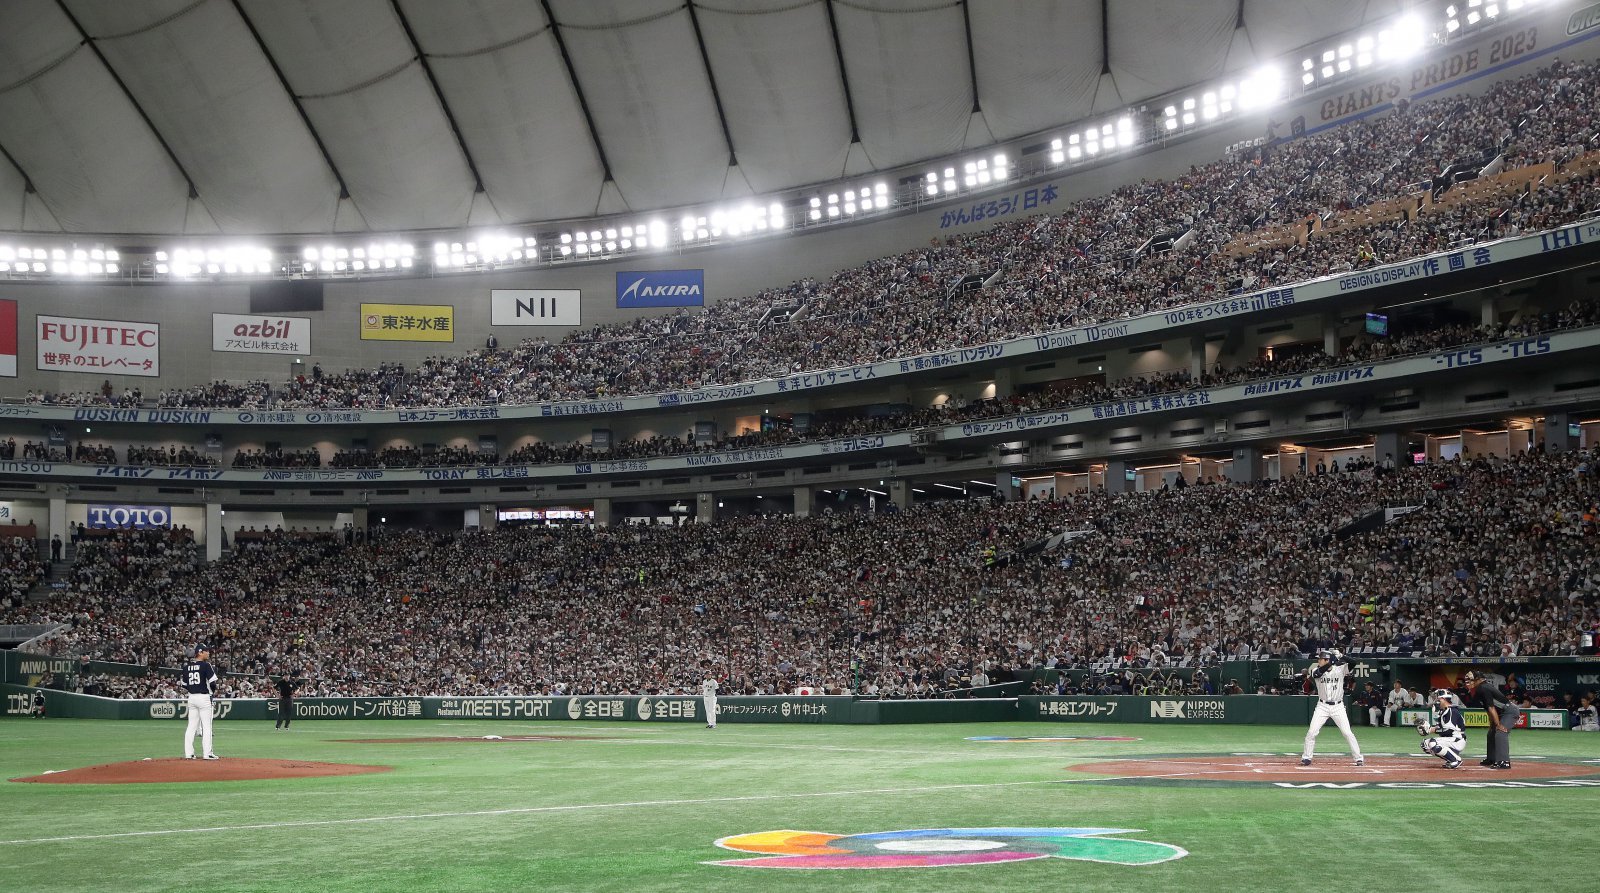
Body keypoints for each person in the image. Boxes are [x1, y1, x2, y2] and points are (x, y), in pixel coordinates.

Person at [1300, 649, 1364, 767]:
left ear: (1327, 660)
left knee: (1347, 733)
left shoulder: (1340, 669)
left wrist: (1341, 656)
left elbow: (1353, 663)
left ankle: (1358, 758)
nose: (1319, 661)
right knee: (1312, 732)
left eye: (1321, 659)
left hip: (1338, 706)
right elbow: (1317, 674)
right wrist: (1332, 661)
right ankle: (1307, 757)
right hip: (1322, 706)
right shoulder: (1316, 670)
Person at [1463, 669, 1517, 769]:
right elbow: (1488, 710)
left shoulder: (1483, 688)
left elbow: (1491, 708)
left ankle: (1504, 761)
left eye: (1471, 679)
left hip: (1509, 711)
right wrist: (1492, 724)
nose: (1468, 682)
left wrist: (1498, 724)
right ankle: (1491, 758)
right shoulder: (1479, 689)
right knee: (1491, 732)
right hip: (1501, 713)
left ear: (1479, 679)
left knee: (1501, 732)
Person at [182, 645, 219, 760]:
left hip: (192, 697)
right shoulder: (206, 665)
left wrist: (194, 691)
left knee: (191, 726)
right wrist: (211, 692)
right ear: (200, 652)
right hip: (204, 697)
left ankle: (189, 753)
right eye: (206, 651)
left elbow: (184, 686)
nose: (208, 653)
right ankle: (207, 753)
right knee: (207, 726)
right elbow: (213, 683)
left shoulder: (186, 667)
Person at [1417, 688, 1467, 769]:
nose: (1437, 700)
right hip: (1450, 739)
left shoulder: (1452, 711)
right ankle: (1450, 758)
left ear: (1444, 699)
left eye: (1439, 698)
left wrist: (1431, 730)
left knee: (1433, 743)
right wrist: (1429, 729)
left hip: (1457, 739)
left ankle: (1455, 760)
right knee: (1425, 745)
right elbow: (1440, 727)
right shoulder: (1442, 711)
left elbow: (1448, 730)